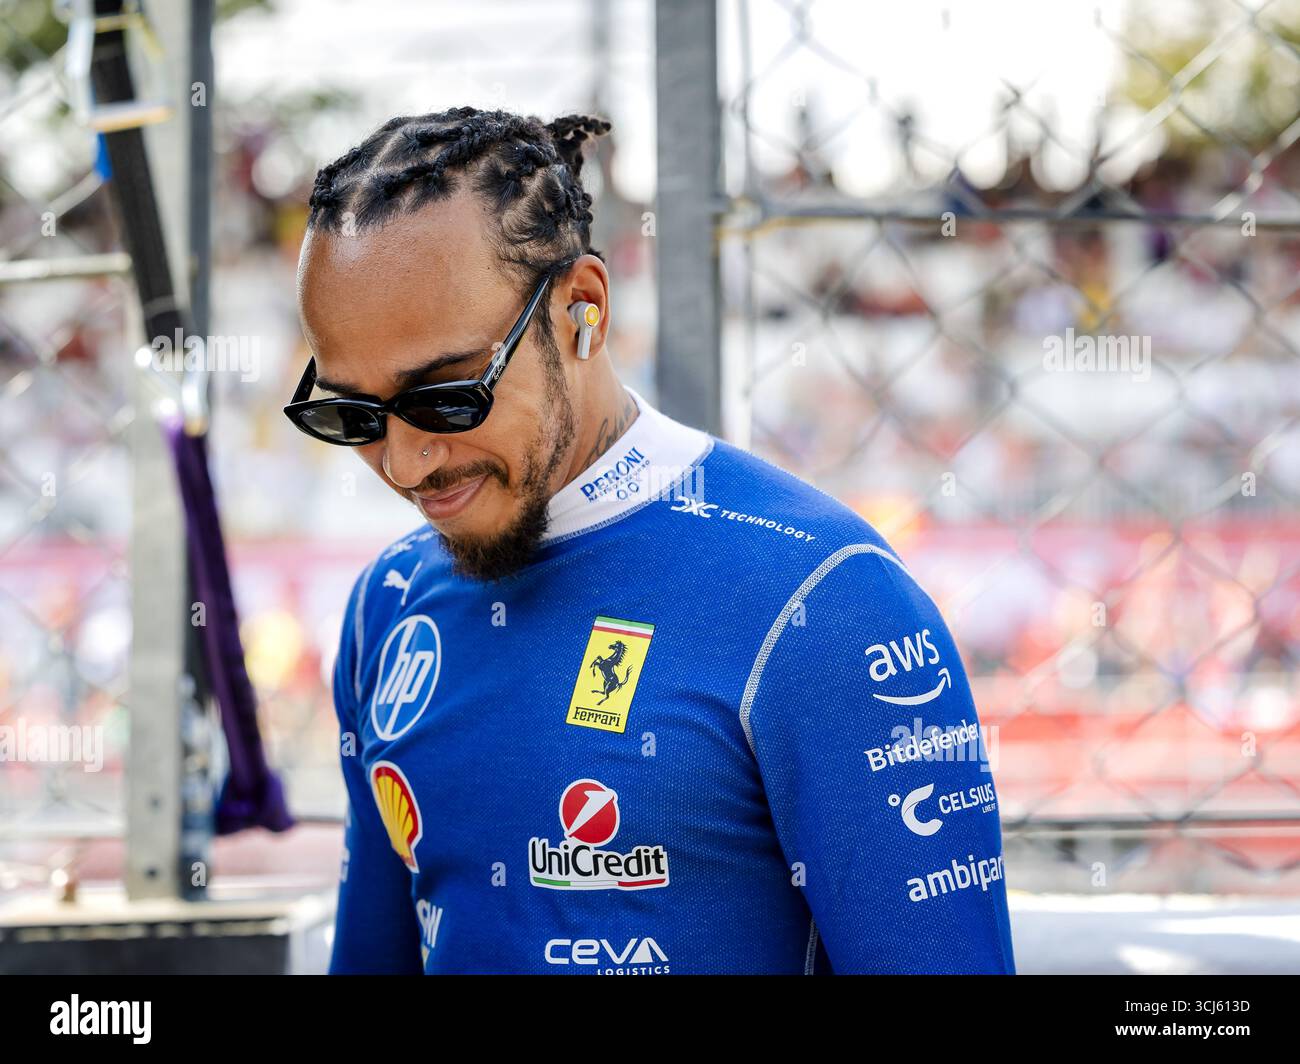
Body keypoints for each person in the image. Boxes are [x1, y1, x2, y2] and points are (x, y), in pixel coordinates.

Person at [287, 106, 1016, 975]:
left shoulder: (825, 601)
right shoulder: (387, 607)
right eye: (351, 414)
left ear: (582, 309)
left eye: (447, 397)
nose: (406, 462)